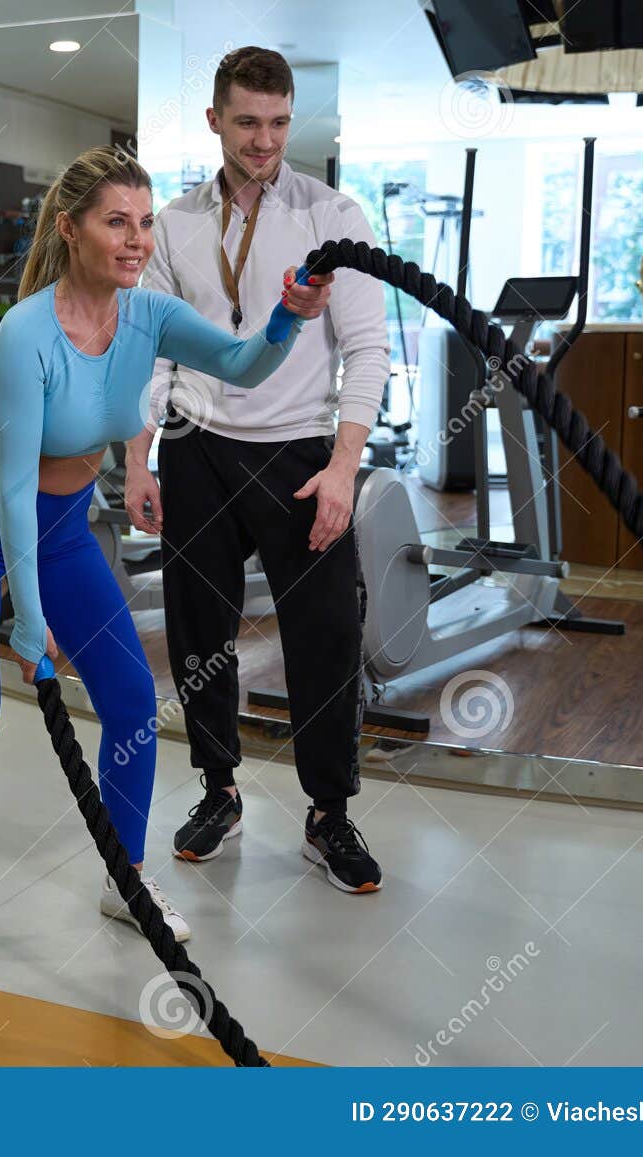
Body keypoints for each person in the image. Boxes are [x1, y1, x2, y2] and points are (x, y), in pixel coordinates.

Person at [0, 145, 334, 992]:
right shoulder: (25, 333)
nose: (137, 239)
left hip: (60, 530)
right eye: (116, 222)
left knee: (134, 700)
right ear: (70, 230)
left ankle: (123, 878)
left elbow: (243, 364)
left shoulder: (148, 315)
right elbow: (14, 492)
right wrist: (27, 621)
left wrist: (288, 317)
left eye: (144, 222)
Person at [124, 47, 390, 892]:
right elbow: (151, 351)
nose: (264, 140)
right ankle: (218, 788)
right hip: (197, 446)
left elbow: (367, 349)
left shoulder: (332, 213)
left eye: (278, 123)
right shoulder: (172, 224)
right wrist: (140, 455)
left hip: (299, 454)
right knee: (201, 634)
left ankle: (329, 812)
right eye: (247, 122)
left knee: (325, 634)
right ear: (214, 120)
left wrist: (346, 467)